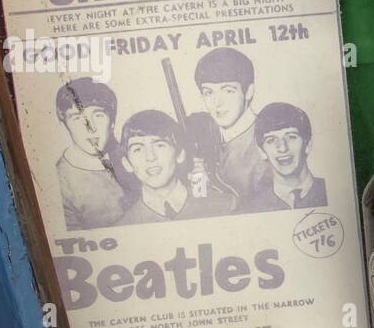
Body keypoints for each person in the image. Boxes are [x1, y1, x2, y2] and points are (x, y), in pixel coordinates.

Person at [117, 110, 234, 224]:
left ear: (180, 154)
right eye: (138, 149)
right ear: (127, 164)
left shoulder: (226, 206)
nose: (150, 157)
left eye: (160, 145)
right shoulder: (122, 227)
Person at [53, 78, 135, 230]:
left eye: (98, 115)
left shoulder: (132, 155)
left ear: (112, 121)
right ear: (65, 124)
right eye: (77, 118)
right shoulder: (60, 180)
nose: (90, 128)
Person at [193, 48, 271, 203]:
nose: (217, 103)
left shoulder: (268, 142)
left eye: (228, 91)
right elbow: (200, 201)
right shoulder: (208, 134)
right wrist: (199, 188)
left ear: (249, 91)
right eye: (209, 92)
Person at [243, 101, 328, 211]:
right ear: (261, 151)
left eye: (291, 137)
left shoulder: (332, 191)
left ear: (307, 144)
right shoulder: (252, 208)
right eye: (271, 140)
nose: (282, 148)